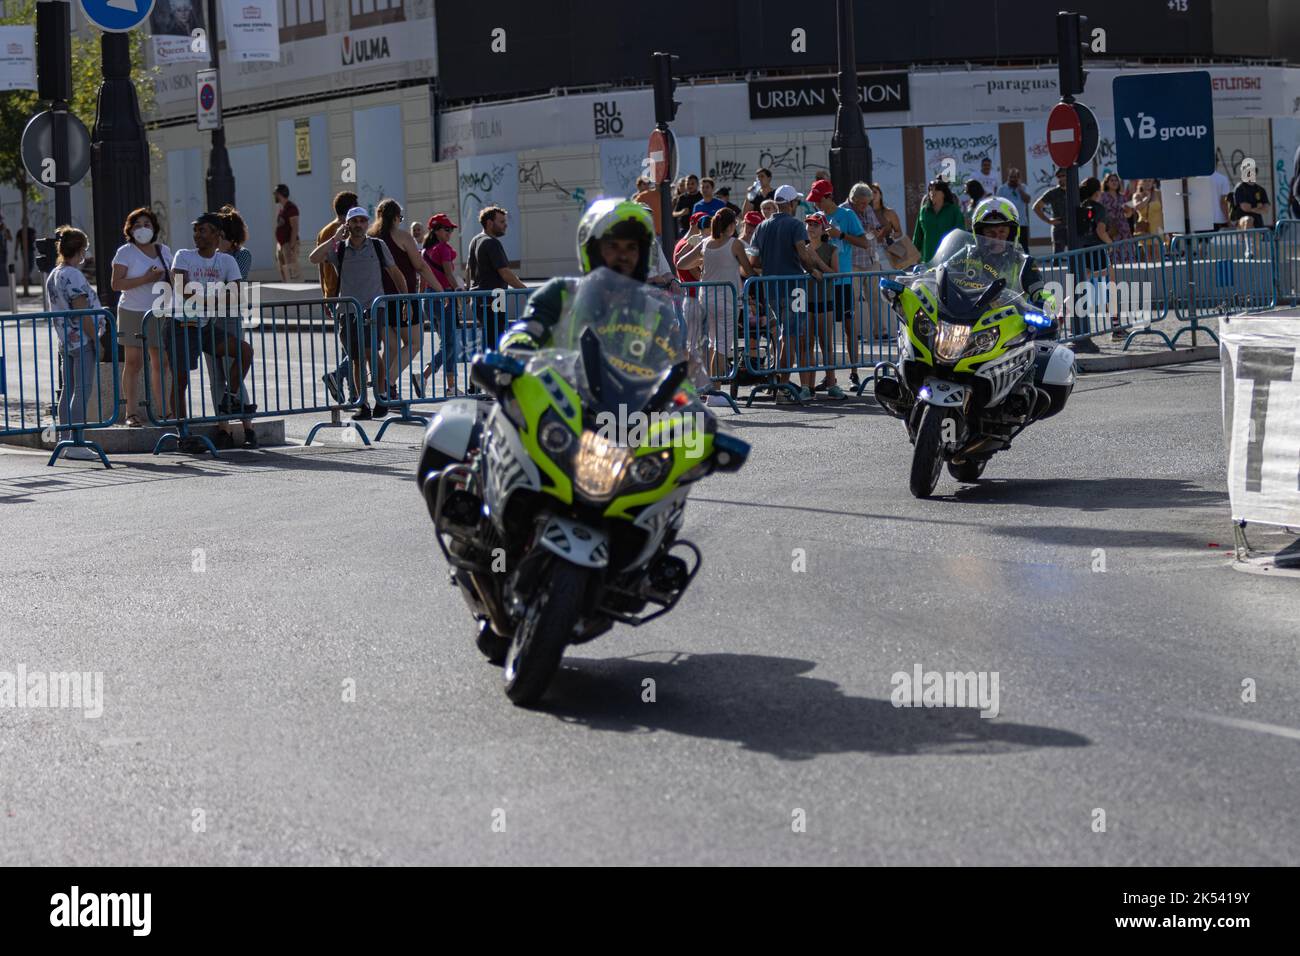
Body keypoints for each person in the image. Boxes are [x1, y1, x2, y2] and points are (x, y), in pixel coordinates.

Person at [308, 206, 408, 421]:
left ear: (367, 223)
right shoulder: (339, 249)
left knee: (372, 353)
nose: (359, 225)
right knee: (356, 358)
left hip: (373, 308)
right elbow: (314, 258)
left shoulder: (377, 246)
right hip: (348, 310)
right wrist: (334, 238)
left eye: (363, 221)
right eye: (355, 221)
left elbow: (395, 272)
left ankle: (381, 397)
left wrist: (405, 300)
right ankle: (362, 403)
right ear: (348, 224)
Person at [168, 213, 255, 436]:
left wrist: (205, 301)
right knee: (181, 379)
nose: (197, 234)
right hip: (181, 325)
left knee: (244, 351)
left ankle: (230, 397)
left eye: (203, 230)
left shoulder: (227, 260)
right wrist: (214, 300)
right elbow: (182, 289)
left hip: (205, 327)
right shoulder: (183, 255)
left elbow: (236, 294)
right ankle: (181, 431)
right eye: (195, 230)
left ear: (218, 235)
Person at [748, 184, 827, 403]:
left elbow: (753, 261)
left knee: (784, 336)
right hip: (794, 287)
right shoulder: (795, 225)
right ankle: (786, 387)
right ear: (791, 204)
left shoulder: (761, 226)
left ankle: (783, 386)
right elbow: (803, 254)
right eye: (796, 202)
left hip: (771, 289)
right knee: (793, 337)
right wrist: (813, 271)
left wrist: (772, 265)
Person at [674, 207, 755, 404]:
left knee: (712, 344)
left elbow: (681, 263)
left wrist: (702, 261)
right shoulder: (734, 244)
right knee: (722, 346)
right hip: (727, 299)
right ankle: (715, 392)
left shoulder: (705, 242)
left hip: (706, 298)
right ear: (730, 226)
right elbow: (748, 269)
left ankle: (711, 389)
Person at [370, 198, 440, 414]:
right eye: (400, 217)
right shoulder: (402, 237)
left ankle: (382, 392)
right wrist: (440, 289)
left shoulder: (371, 237)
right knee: (415, 343)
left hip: (379, 300)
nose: (401, 221)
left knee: (391, 347)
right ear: (395, 217)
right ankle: (389, 384)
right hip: (403, 299)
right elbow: (420, 266)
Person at [45, 227, 107, 460]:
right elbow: (81, 309)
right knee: (81, 391)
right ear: (80, 250)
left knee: (68, 391)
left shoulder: (54, 273)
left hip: (65, 341)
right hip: (80, 340)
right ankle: (76, 442)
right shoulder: (73, 275)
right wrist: (95, 339)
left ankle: (65, 440)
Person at [110, 207, 172, 427]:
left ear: (154, 227)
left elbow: (172, 277)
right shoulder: (125, 252)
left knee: (161, 362)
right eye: (137, 225)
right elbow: (116, 284)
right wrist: (146, 279)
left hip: (158, 311)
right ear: (130, 229)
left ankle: (165, 411)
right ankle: (131, 412)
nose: (142, 228)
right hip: (132, 311)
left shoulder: (164, 250)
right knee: (134, 362)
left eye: (147, 224)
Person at [810, 178, 868, 393]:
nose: (816, 204)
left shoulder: (847, 215)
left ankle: (854, 373)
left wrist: (840, 234)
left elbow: (864, 242)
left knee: (848, 327)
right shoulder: (817, 218)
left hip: (842, 280)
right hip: (824, 282)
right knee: (825, 331)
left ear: (828, 197)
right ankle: (830, 377)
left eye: (818, 200)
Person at [215, 205, 256, 447]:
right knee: (216, 377)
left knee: (235, 373)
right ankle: (224, 429)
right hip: (209, 317)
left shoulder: (241, 255)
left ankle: (248, 428)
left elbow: (230, 283)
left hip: (230, 317)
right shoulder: (210, 256)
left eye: (219, 235)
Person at [465, 205, 528, 362]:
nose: (505, 225)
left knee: (489, 344)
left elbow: (468, 269)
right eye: (501, 221)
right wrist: (526, 291)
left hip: (479, 300)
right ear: (489, 223)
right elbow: (505, 273)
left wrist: (467, 291)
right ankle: (487, 383)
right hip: (493, 300)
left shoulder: (475, 240)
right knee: (494, 344)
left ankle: (475, 384)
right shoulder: (491, 243)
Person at [317, 190, 359, 405]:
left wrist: (324, 293)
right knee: (356, 346)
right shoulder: (345, 231)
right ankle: (339, 377)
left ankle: (353, 393)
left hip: (332, 294)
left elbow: (320, 267)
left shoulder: (324, 231)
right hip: (347, 294)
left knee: (350, 346)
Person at [415, 213, 462, 397]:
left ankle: (451, 388)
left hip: (429, 300)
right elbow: (449, 275)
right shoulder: (443, 249)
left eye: (451, 230)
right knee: (450, 343)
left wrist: (419, 301)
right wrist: (460, 291)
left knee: (447, 343)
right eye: (447, 229)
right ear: (436, 230)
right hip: (444, 298)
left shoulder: (425, 251)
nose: (450, 233)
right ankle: (424, 375)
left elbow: (423, 281)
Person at [802, 214, 846, 401]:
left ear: (822, 229)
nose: (811, 228)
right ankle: (807, 386)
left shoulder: (831, 249)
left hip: (825, 300)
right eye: (809, 225)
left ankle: (832, 383)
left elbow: (834, 274)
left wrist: (816, 261)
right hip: (806, 300)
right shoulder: (801, 248)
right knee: (807, 344)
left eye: (815, 225)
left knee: (826, 343)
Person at [1073, 177, 1112, 352]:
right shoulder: (1099, 208)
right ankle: (1116, 325)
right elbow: (1100, 230)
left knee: (1081, 287)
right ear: (1098, 192)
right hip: (1097, 250)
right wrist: (1111, 244)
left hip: (1082, 250)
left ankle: (1060, 313)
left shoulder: (1078, 206)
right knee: (1108, 283)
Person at [913, 179, 964, 262]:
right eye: (930, 190)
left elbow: (960, 235)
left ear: (944, 193)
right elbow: (917, 237)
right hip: (927, 259)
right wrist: (911, 257)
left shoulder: (954, 210)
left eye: (936, 189)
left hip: (949, 259)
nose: (933, 192)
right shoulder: (924, 211)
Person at [1033, 168, 1070, 252]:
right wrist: (1048, 220)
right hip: (1059, 229)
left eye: (1063, 176)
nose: (1061, 178)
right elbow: (1036, 207)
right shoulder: (1053, 193)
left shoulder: (1075, 190)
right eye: (1059, 176)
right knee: (1057, 259)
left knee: (1077, 257)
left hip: (1074, 228)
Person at [996, 168, 1032, 253]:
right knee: (1009, 246)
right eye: (1011, 177)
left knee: (1023, 246)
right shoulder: (1002, 189)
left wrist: (1020, 189)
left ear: (1019, 178)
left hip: (1021, 223)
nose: (1012, 179)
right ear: (1008, 177)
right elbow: (997, 205)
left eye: (1015, 177)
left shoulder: (1023, 187)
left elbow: (1027, 200)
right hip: (1007, 223)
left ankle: (1027, 265)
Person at [273, 184, 300, 281]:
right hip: (281, 244)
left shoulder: (291, 208)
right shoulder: (282, 208)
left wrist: (292, 245)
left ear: (281, 194)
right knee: (282, 268)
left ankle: (295, 289)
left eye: (275, 194)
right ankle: (286, 287)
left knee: (290, 269)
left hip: (288, 243)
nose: (274, 196)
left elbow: (295, 227)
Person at [1231, 163, 1270, 229]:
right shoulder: (1240, 188)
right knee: (1249, 219)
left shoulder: (1261, 190)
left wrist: (1252, 208)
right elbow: (1245, 208)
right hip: (1243, 223)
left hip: (1258, 224)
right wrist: (1258, 207)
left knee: (1258, 237)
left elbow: (1266, 210)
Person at [1100, 173, 1134, 246]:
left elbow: (1128, 215)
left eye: (1116, 180)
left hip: (1124, 229)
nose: (1114, 182)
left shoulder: (1123, 197)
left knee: (1128, 254)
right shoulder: (1102, 196)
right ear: (1106, 183)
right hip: (1111, 230)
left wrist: (1128, 210)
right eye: (1112, 180)